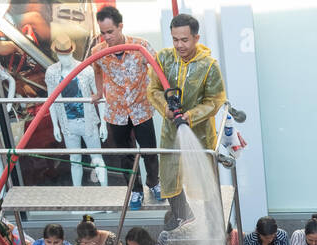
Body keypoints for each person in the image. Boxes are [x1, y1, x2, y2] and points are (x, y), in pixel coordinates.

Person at [146, 13, 225, 228]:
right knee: (170, 173)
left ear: (196, 38)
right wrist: (166, 109)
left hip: (199, 133)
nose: (179, 45)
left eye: (184, 40)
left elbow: (215, 100)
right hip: (171, 131)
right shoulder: (163, 58)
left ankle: (213, 221)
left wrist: (190, 116)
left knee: (205, 178)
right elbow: (153, 90)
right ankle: (183, 214)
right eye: (175, 39)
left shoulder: (208, 66)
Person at [91, 5, 158, 209]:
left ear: (120, 26)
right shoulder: (98, 52)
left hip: (141, 109)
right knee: (126, 154)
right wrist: (99, 92)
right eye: (103, 33)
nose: (107, 37)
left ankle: (154, 183)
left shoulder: (141, 45)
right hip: (116, 112)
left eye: (110, 32)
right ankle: (135, 191)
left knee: (149, 151)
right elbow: (96, 71)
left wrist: (158, 93)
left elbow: (156, 69)